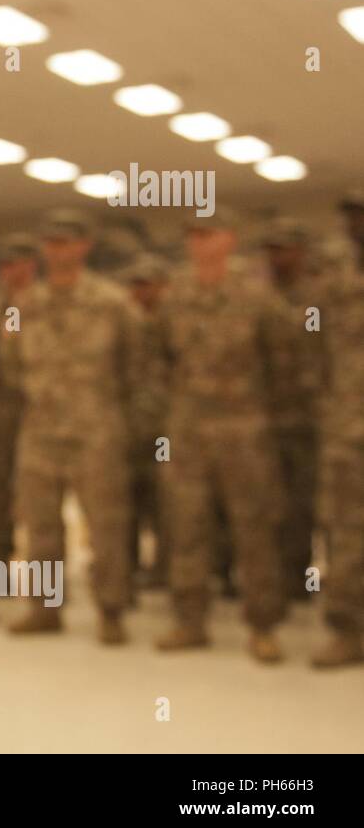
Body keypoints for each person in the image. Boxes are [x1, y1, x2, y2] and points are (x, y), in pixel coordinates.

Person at [155, 218, 291, 664]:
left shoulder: (257, 296)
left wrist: (262, 412)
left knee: (255, 530)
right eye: (193, 236)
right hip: (188, 432)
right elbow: (159, 358)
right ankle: (190, 620)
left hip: (244, 432)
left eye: (208, 234)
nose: (200, 243)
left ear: (229, 239)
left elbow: (283, 361)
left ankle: (263, 626)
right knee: (186, 527)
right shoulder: (175, 296)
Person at [5, 210, 137, 644]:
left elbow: (137, 366)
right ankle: (45, 609)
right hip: (40, 431)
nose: (57, 250)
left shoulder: (113, 302)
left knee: (105, 526)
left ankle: (111, 611)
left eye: (65, 241)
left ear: (84, 246)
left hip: (95, 432)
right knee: (40, 526)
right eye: (50, 242)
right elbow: (8, 363)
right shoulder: (22, 306)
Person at [310, 193, 364, 668]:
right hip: (347, 429)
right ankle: (348, 629)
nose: (356, 225)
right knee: (344, 532)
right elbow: (313, 353)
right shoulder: (334, 287)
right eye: (352, 217)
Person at [261, 217, 321, 601]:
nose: (277, 257)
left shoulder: (319, 296)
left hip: (309, 418)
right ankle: (269, 579)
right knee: (266, 504)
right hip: (264, 417)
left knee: (306, 504)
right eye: (271, 250)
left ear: (300, 251)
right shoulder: (257, 296)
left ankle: (302, 579)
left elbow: (322, 346)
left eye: (283, 249)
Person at [0, 233, 39, 563]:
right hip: (1, 405)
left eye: (15, 264)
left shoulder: (45, 302)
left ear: (30, 265)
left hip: (41, 406)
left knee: (40, 489)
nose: (8, 271)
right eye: (3, 265)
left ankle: (46, 566)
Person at [123, 255, 171, 587]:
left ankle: (165, 568)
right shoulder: (124, 323)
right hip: (130, 428)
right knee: (127, 500)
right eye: (136, 285)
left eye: (148, 285)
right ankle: (127, 567)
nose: (141, 292)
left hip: (165, 431)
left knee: (165, 501)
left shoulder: (173, 323)